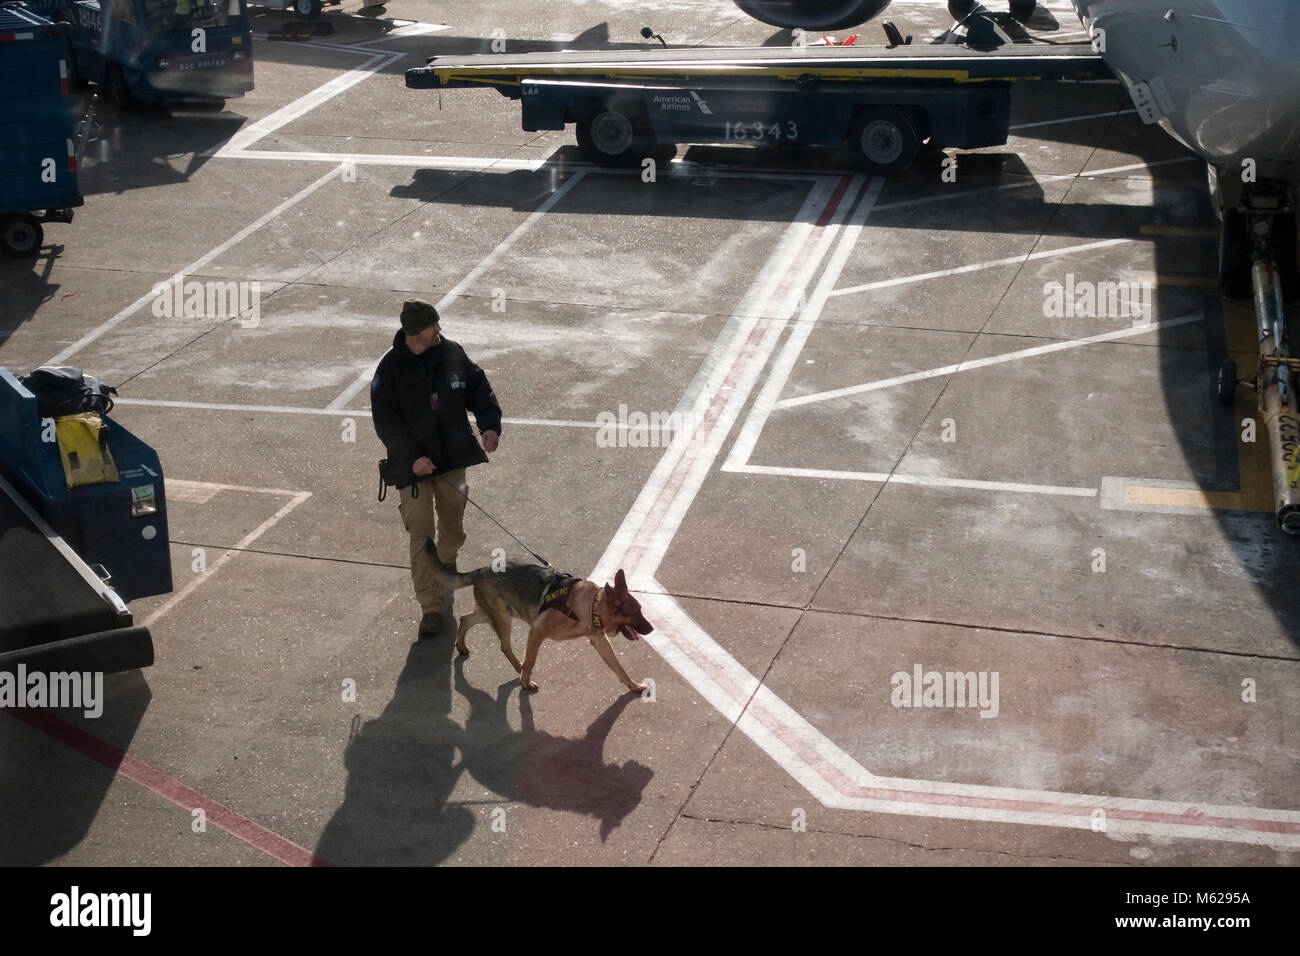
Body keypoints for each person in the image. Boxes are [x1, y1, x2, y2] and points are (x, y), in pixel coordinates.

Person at [370, 300, 502, 638]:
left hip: (452, 461)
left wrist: (490, 424)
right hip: (412, 470)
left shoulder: (452, 353)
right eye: (433, 326)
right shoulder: (389, 371)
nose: (439, 330)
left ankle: (445, 572)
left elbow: (479, 388)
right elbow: (386, 424)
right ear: (415, 333)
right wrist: (413, 457)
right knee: (421, 534)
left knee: (453, 530)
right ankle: (431, 606)